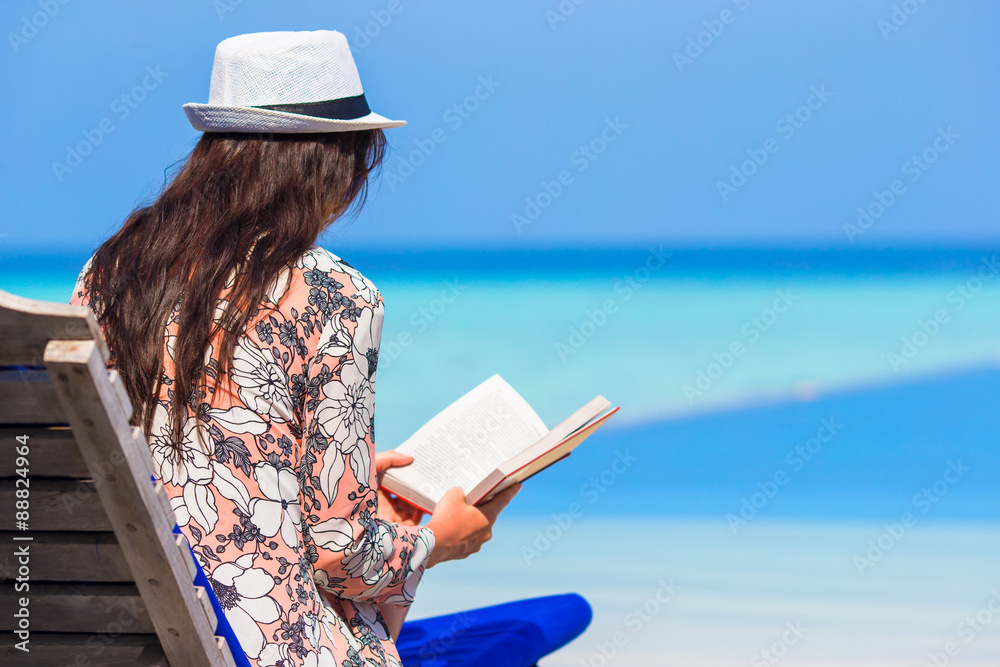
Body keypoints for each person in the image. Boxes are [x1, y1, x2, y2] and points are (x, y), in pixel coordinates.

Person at [70, 30, 519, 667]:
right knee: (537, 625)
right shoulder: (335, 295)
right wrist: (438, 540)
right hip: (261, 647)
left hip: (117, 630)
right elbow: (339, 557)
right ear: (334, 164)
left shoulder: (108, 274)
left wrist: (354, 488)